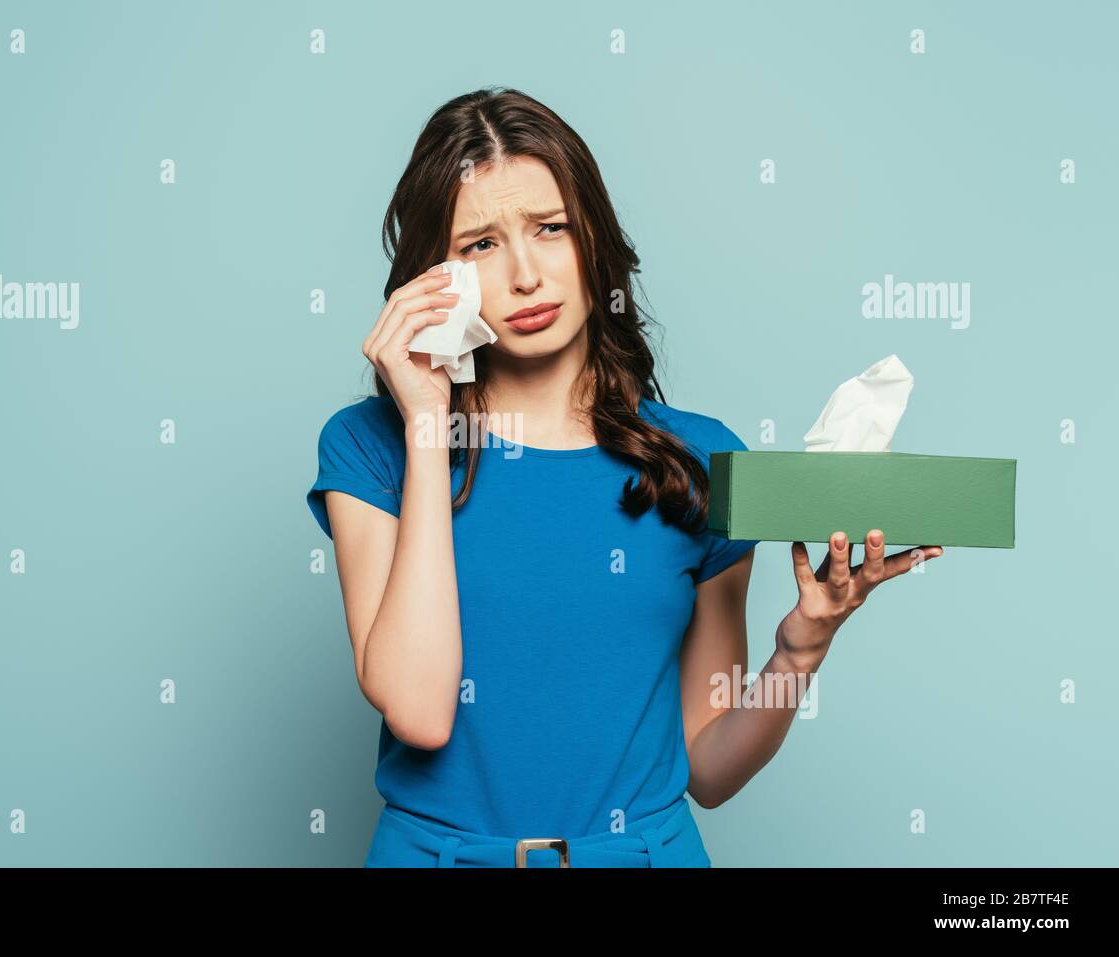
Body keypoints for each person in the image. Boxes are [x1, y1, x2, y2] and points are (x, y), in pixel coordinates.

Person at [305, 87, 942, 868]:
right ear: (434, 275)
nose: (527, 275)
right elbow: (420, 710)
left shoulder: (702, 464)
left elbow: (708, 766)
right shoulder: (371, 448)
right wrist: (429, 421)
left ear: (593, 239)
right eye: (480, 244)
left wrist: (802, 648)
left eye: (550, 228)